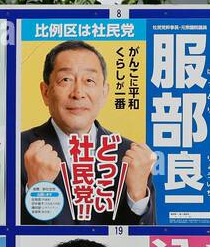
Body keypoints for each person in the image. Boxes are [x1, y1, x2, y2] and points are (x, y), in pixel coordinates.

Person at [20, 40, 157, 224]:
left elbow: (147, 245)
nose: (78, 93)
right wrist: (37, 189)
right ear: (45, 92)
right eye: (65, 80)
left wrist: (138, 196)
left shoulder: (131, 157)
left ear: (104, 92)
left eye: (89, 81)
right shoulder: (16, 150)